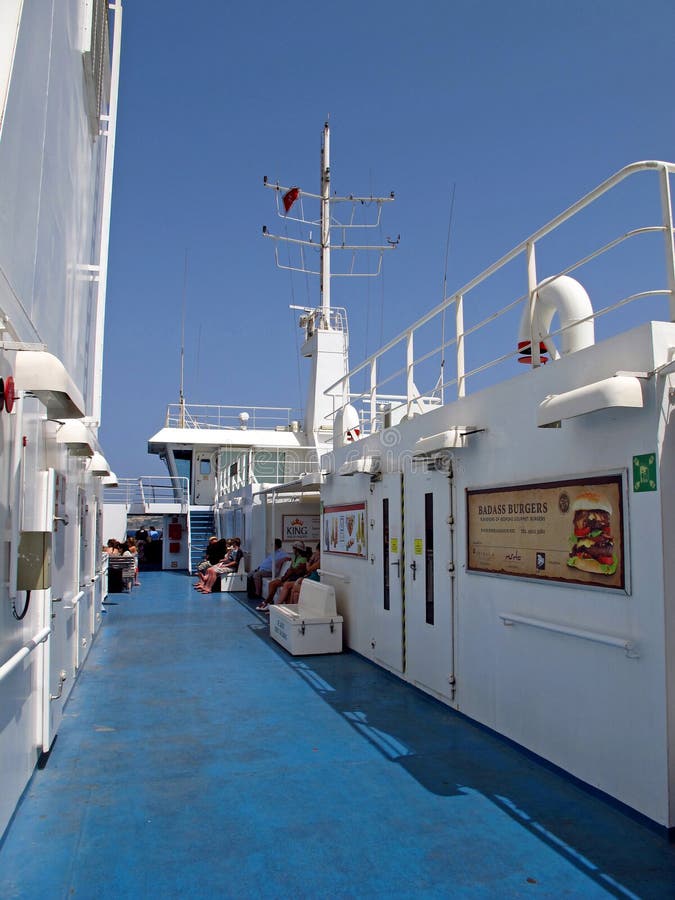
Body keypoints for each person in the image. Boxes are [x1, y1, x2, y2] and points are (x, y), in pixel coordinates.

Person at [256, 540, 307, 611]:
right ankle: (268, 602)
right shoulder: (295, 558)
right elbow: (290, 570)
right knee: (272, 583)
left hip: (294, 580)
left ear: (297, 549)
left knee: (276, 583)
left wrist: (290, 571)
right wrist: (287, 574)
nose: (292, 550)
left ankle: (267, 603)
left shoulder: (303, 560)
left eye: (293, 548)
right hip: (288, 578)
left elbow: (298, 571)